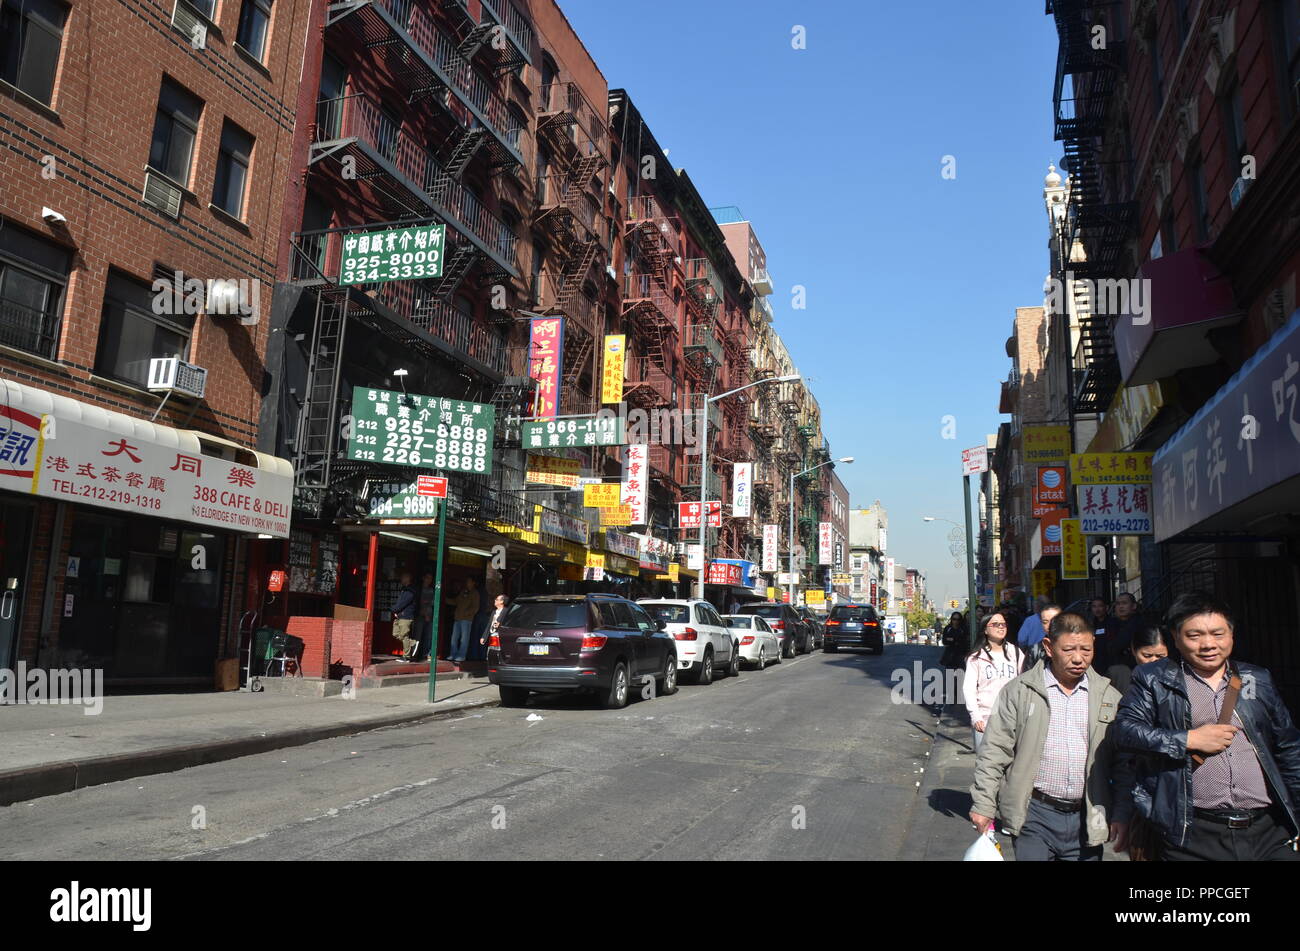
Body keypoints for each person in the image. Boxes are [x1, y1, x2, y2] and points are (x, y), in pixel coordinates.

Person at [1115, 592, 1300, 861]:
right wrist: (1188, 740)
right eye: (1195, 635)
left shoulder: (1256, 679)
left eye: (1217, 634)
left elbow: (1289, 749)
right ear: (1176, 639)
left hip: (1268, 831)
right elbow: (1125, 732)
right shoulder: (1154, 679)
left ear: (1231, 636)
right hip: (1194, 834)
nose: (1208, 644)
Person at [969, 611, 1131, 861]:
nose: (1078, 658)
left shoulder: (1108, 697)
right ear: (1048, 647)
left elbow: (1123, 764)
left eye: (1086, 650)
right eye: (1069, 649)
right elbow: (994, 751)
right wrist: (983, 804)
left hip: (1087, 815)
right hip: (1034, 814)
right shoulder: (1020, 692)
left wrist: (1120, 813)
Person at [963, 611, 1025, 753]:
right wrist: (976, 716)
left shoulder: (1015, 652)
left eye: (1003, 624)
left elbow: (1024, 682)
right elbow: (969, 689)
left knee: (1013, 767)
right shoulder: (976, 658)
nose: (1001, 627)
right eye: (995, 624)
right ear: (985, 629)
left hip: (1013, 719)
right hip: (986, 720)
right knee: (988, 768)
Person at [1105, 624, 1168, 695]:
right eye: (1147, 656)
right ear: (1133, 649)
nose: (1153, 661)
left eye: (1160, 656)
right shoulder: (1119, 675)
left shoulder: (1175, 676)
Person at [938, 612, 970, 718]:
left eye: (957, 619)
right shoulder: (948, 628)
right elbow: (945, 641)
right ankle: (951, 699)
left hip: (960, 656)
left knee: (960, 678)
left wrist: (954, 640)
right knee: (950, 677)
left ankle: (958, 698)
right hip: (950, 657)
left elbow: (964, 641)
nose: (955, 621)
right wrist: (953, 640)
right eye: (954, 619)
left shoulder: (963, 629)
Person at [446, 577, 481, 664]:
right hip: (457, 618)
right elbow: (456, 601)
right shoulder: (463, 591)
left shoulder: (475, 593)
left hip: (466, 619)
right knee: (454, 638)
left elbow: (475, 608)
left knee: (464, 639)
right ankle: (453, 654)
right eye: (467, 581)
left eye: (469, 581)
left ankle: (461, 655)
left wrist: (466, 614)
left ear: (473, 583)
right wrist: (445, 600)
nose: (467, 583)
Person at [391, 572, 418, 660]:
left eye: (402, 578)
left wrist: (394, 609)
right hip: (400, 616)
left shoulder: (409, 591)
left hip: (406, 617)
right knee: (396, 634)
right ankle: (412, 643)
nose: (401, 580)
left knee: (404, 635)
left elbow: (402, 604)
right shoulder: (404, 589)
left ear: (407, 578)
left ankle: (406, 657)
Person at [412, 571, 436, 662]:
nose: (429, 580)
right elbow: (419, 602)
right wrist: (423, 612)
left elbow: (432, 603)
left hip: (429, 616)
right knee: (417, 636)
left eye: (430, 578)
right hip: (419, 615)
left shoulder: (432, 590)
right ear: (423, 578)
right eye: (427, 577)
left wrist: (427, 613)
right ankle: (414, 654)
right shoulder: (419, 589)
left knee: (428, 636)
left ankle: (426, 654)